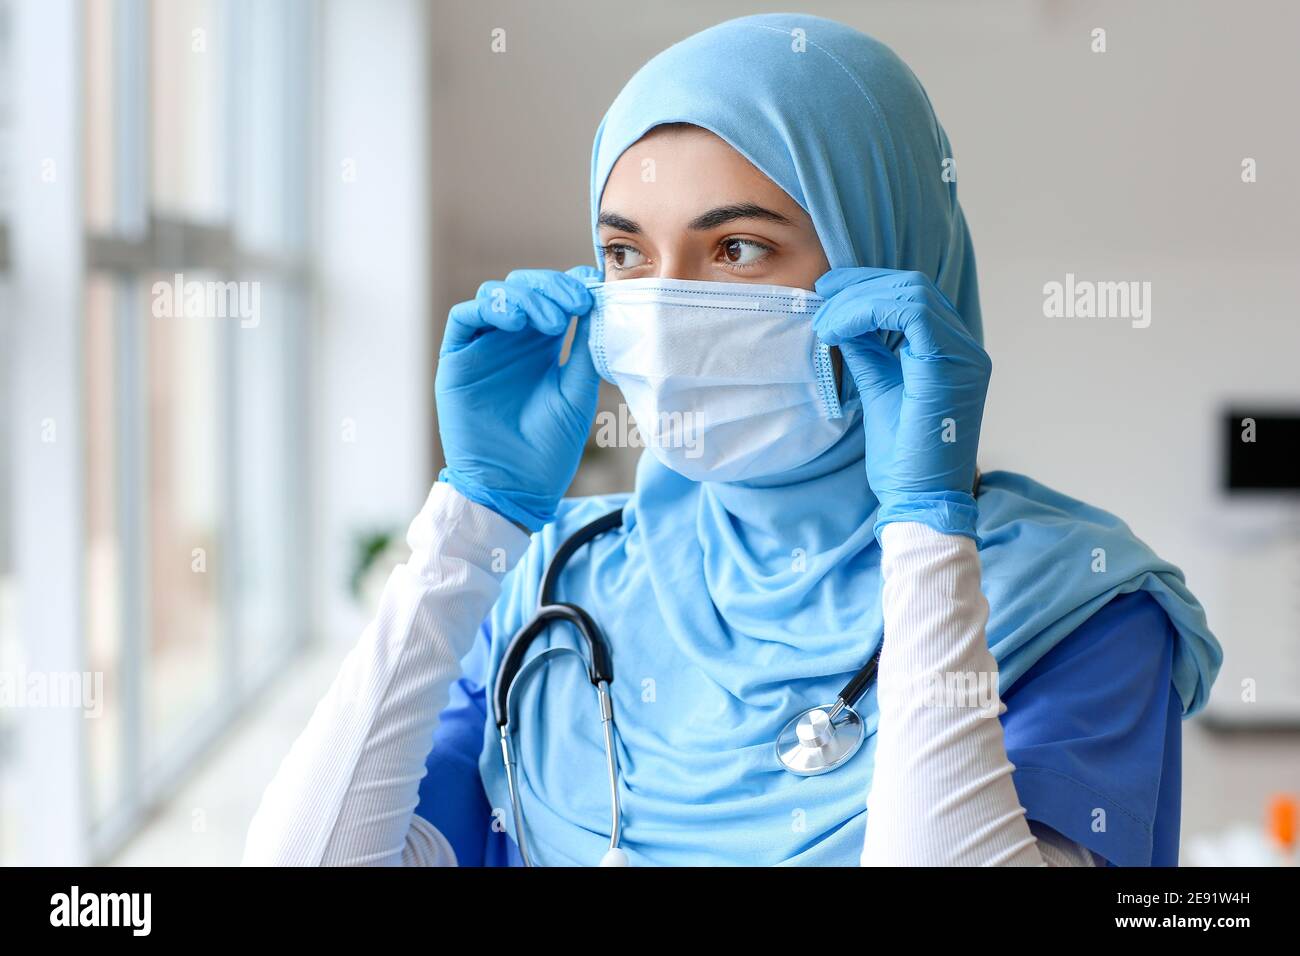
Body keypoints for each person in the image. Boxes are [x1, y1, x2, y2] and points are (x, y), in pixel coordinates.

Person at [243, 14, 1220, 867]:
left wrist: (925, 521)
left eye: (737, 248)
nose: (667, 308)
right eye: (625, 253)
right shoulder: (546, 586)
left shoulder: (1074, 609)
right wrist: (473, 515)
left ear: (884, 255)